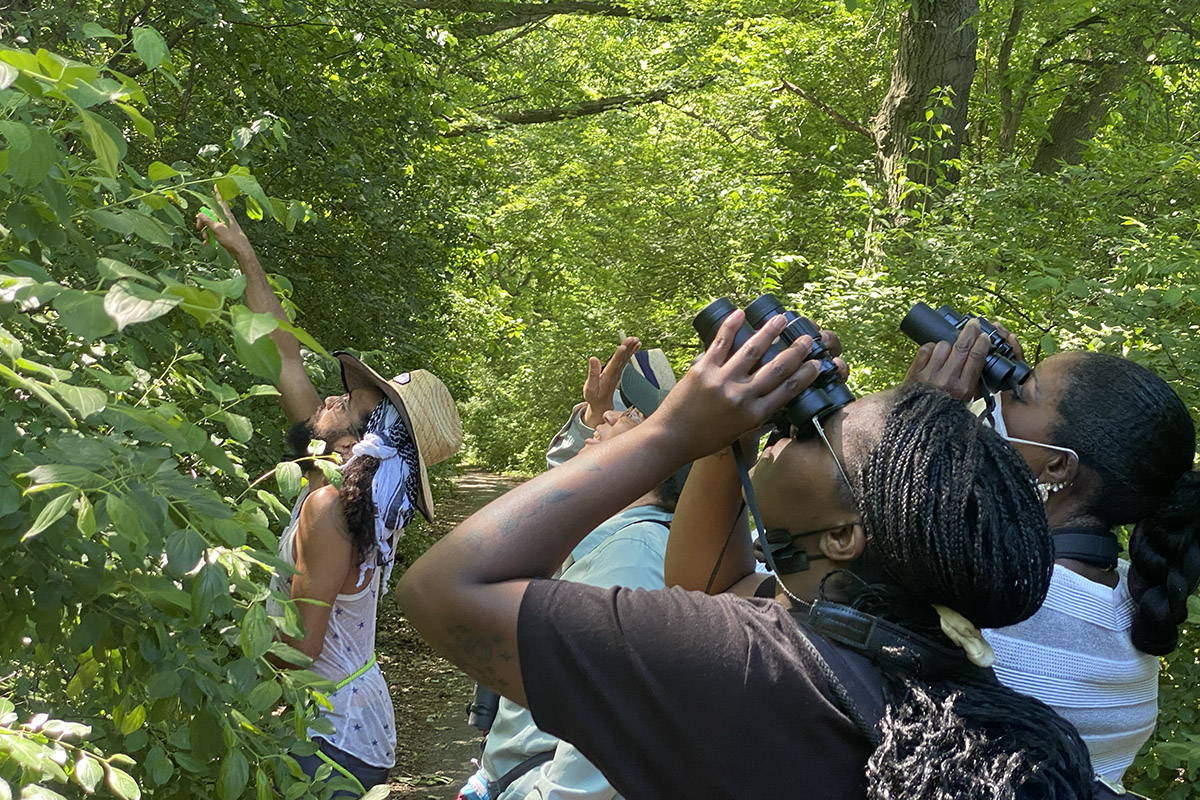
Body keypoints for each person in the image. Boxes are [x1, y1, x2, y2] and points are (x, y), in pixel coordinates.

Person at [397, 311, 1094, 799]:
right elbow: (709, 580)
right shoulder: (929, 664)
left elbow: (443, 589)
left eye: (816, 434)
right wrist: (730, 439)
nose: (791, 437)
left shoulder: (732, 664)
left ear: (846, 536)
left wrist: (668, 434)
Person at [197, 194, 464, 795]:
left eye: (357, 399)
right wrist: (246, 259)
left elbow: (301, 648)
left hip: (325, 737)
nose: (337, 396)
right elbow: (285, 355)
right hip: (349, 727)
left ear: (373, 437)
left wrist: (216, 685)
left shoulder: (331, 507)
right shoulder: (342, 490)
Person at [906, 319, 1200, 787]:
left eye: (1019, 395)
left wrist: (915, 422)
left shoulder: (996, 600)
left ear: (1059, 463)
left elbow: (763, 595)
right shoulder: (1128, 591)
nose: (999, 398)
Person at [462, 345, 682, 800]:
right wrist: (597, 412)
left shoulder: (634, 553)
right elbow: (556, 500)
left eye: (629, 415)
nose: (606, 421)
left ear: (656, 458)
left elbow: (606, 736)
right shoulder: (613, 533)